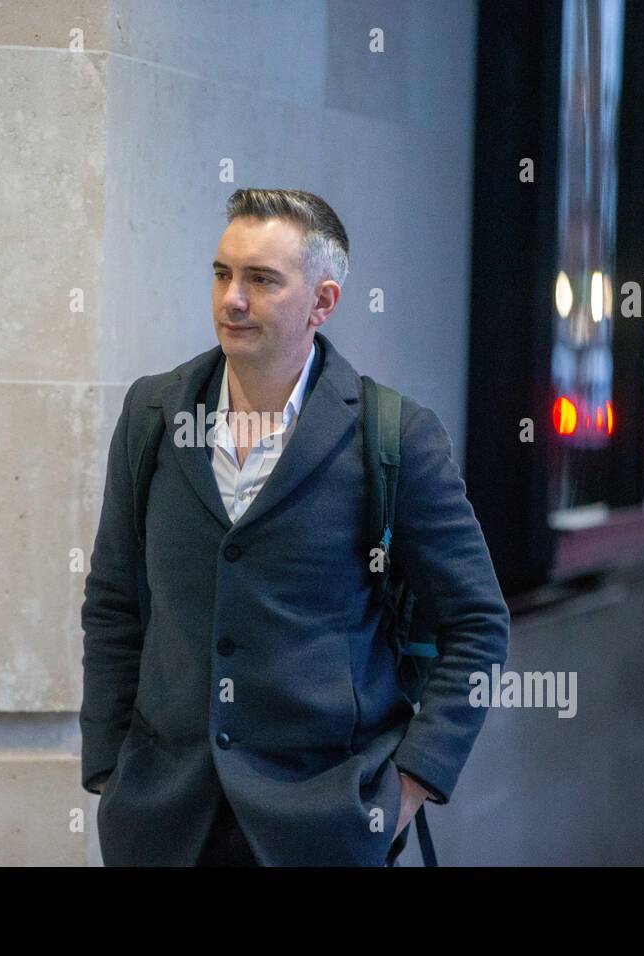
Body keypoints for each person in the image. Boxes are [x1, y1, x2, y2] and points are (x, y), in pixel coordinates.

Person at [80, 188, 509, 866]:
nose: (233, 299)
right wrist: (108, 768)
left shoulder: (393, 435)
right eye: (223, 273)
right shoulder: (154, 415)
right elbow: (113, 603)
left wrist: (410, 786)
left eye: (262, 280)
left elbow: (478, 622)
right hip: (163, 824)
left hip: (324, 825)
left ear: (324, 302)